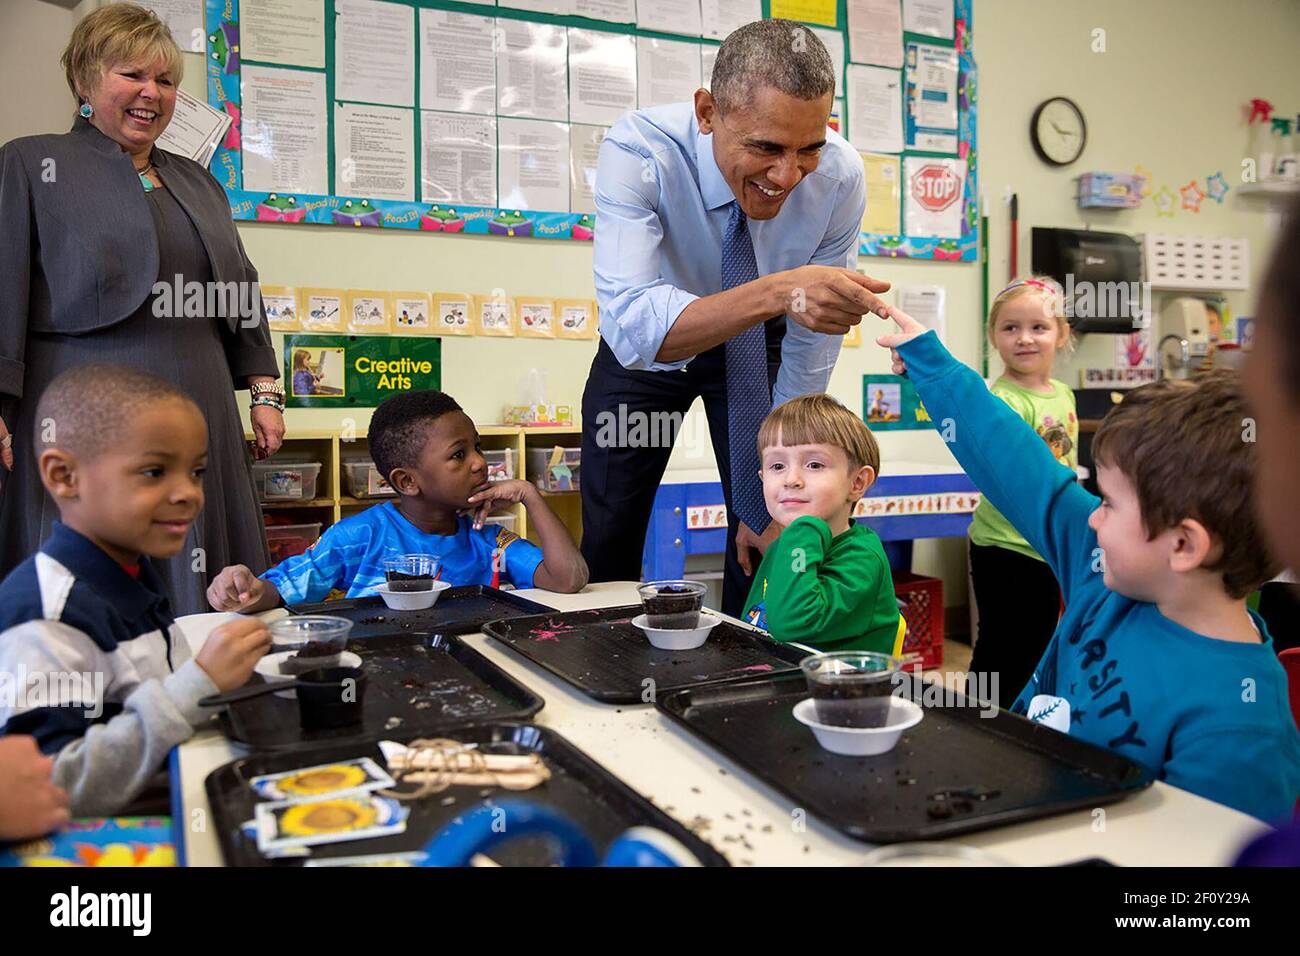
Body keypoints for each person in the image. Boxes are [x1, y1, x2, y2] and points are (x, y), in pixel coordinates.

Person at [876, 308, 1300, 822]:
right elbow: (1021, 466)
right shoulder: (1109, 569)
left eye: (1109, 502)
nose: (1093, 518)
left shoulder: (1241, 728)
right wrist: (932, 363)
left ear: (1184, 545)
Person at [582, 19, 888, 616]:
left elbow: (812, 333)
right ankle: (599, 659)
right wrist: (780, 290)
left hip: (759, 347)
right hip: (650, 348)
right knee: (610, 525)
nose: (786, 176)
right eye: (766, 148)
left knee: (770, 521)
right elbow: (643, 327)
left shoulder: (841, 176)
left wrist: (788, 458)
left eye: (809, 149)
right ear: (706, 112)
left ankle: (751, 671)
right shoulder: (639, 150)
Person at [0, 3, 285, 615]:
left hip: (200, 398)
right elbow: (3, 284)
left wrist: (264, 390)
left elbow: (239, 282)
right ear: (84, 80)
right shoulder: (30, 162)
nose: (150, 94)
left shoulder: (197, 180)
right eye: (132, 75)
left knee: (203, 585)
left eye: (166, 81)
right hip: (84, 404)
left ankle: (204, 694)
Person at [0, 365, 271, 817]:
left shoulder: (131, 571)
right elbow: (49, 786)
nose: (188, 493)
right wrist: (198, 683)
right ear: (64, 475)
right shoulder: (45, 615)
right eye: (153, 472)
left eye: (197, 471)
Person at [208, 389, 588, 611]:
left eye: (479, 447)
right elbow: (280, 589)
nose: (478, 463)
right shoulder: (359, 537)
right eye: (459, 455)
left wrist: (530, 495)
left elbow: (568, 580)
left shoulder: (488, 541)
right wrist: (244, 588)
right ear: (407, 481)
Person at [966, 278, 1077, 708]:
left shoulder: (1063, 394)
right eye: (1010, 328)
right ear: (993, 336)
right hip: (1005, 546)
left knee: (1038, 640)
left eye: (1039, 327)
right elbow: (1015, 473)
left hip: (1048, 545)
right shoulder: (1004, 399)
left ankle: (1023, 719)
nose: (1024, 338)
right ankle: (981, 720)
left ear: (1061, 333)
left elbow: (1065, 468)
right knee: (1002, 644)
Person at [741, 394, 901, 654]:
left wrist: (804, 527)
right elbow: (756, 627)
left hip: (842, 692)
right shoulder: (781, 547)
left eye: (814, 464)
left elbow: (792, 624)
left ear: (857, 483)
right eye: (777, 466)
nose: (791, 479)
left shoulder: (861, 559)